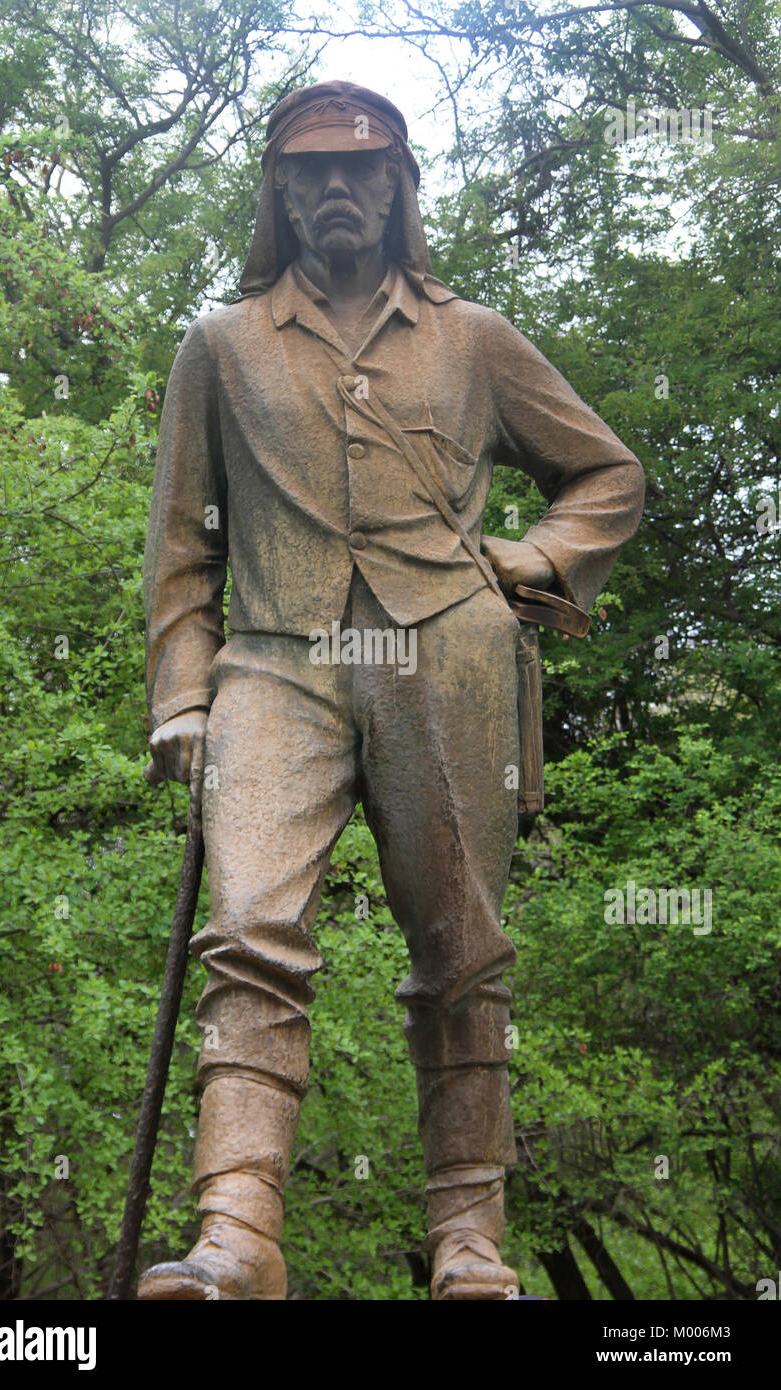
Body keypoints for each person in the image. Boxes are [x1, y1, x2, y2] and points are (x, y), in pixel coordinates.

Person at [138, 79, 645, 1300]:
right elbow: (179, 548)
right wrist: (181, 697)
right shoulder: (220, 344)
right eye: (309, 172)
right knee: (247, 930)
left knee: (461, 953)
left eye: (359, 171)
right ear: (279, 193)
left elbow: (606, 474)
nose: (335, 190)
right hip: (272, 661)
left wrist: (530, 559)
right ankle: (237, 1235)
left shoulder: (472, 338)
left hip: (449, 656)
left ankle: (468, 1241)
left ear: (398, 186)